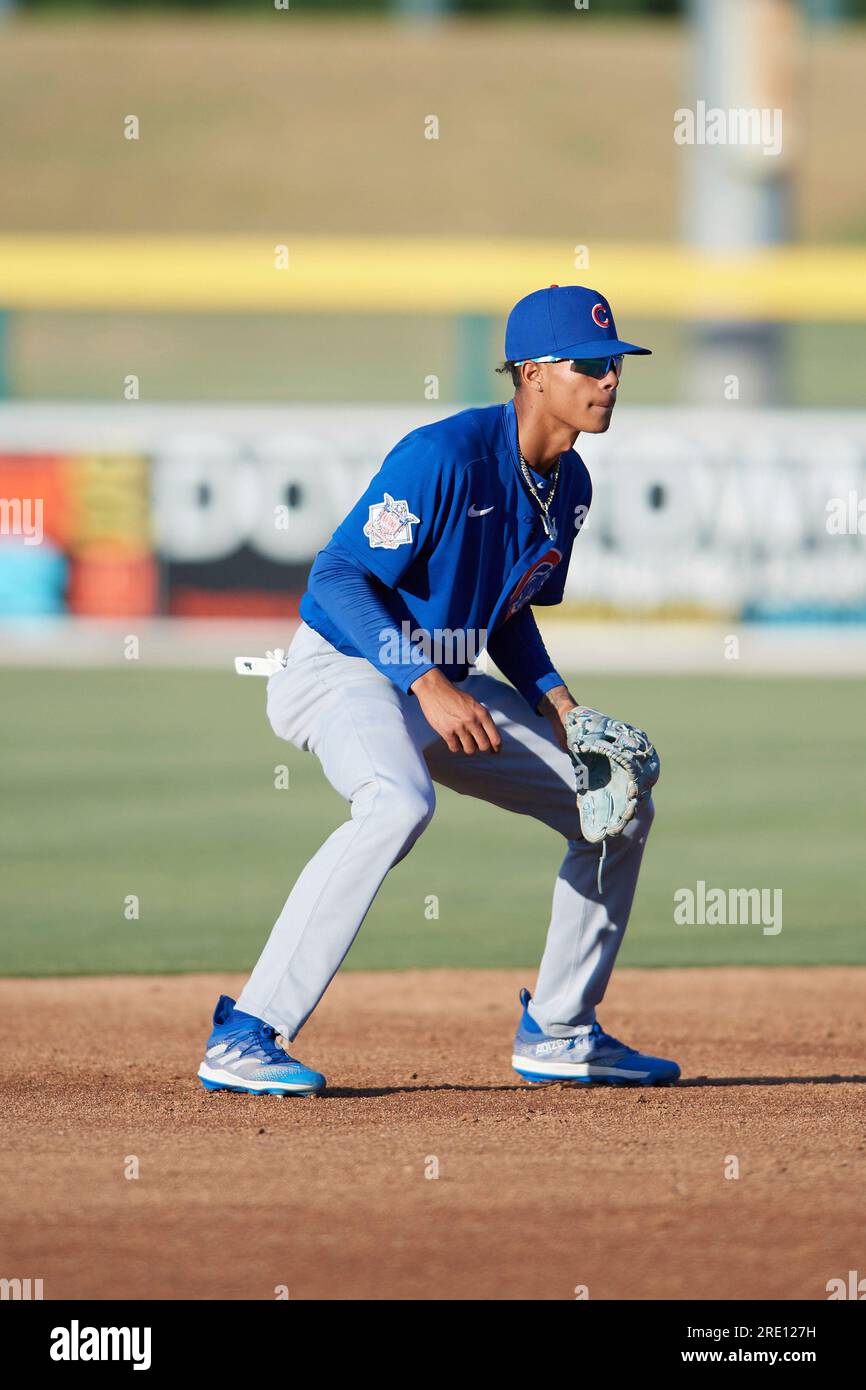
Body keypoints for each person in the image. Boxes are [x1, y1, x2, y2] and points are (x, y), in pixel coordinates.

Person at [197, 284, 680, 1096]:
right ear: (531, 373)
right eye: (591, 364)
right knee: (396, 800)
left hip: (442, 685)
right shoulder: (444, 456)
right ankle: (247, 1033)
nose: (610, 380)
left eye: (616, 364)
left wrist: (561, 707)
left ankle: (561, 1030)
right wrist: (423, 681)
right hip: (340, 668)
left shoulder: (570, 487)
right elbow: (339, 576)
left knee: (616, 805)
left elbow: (510, 614)